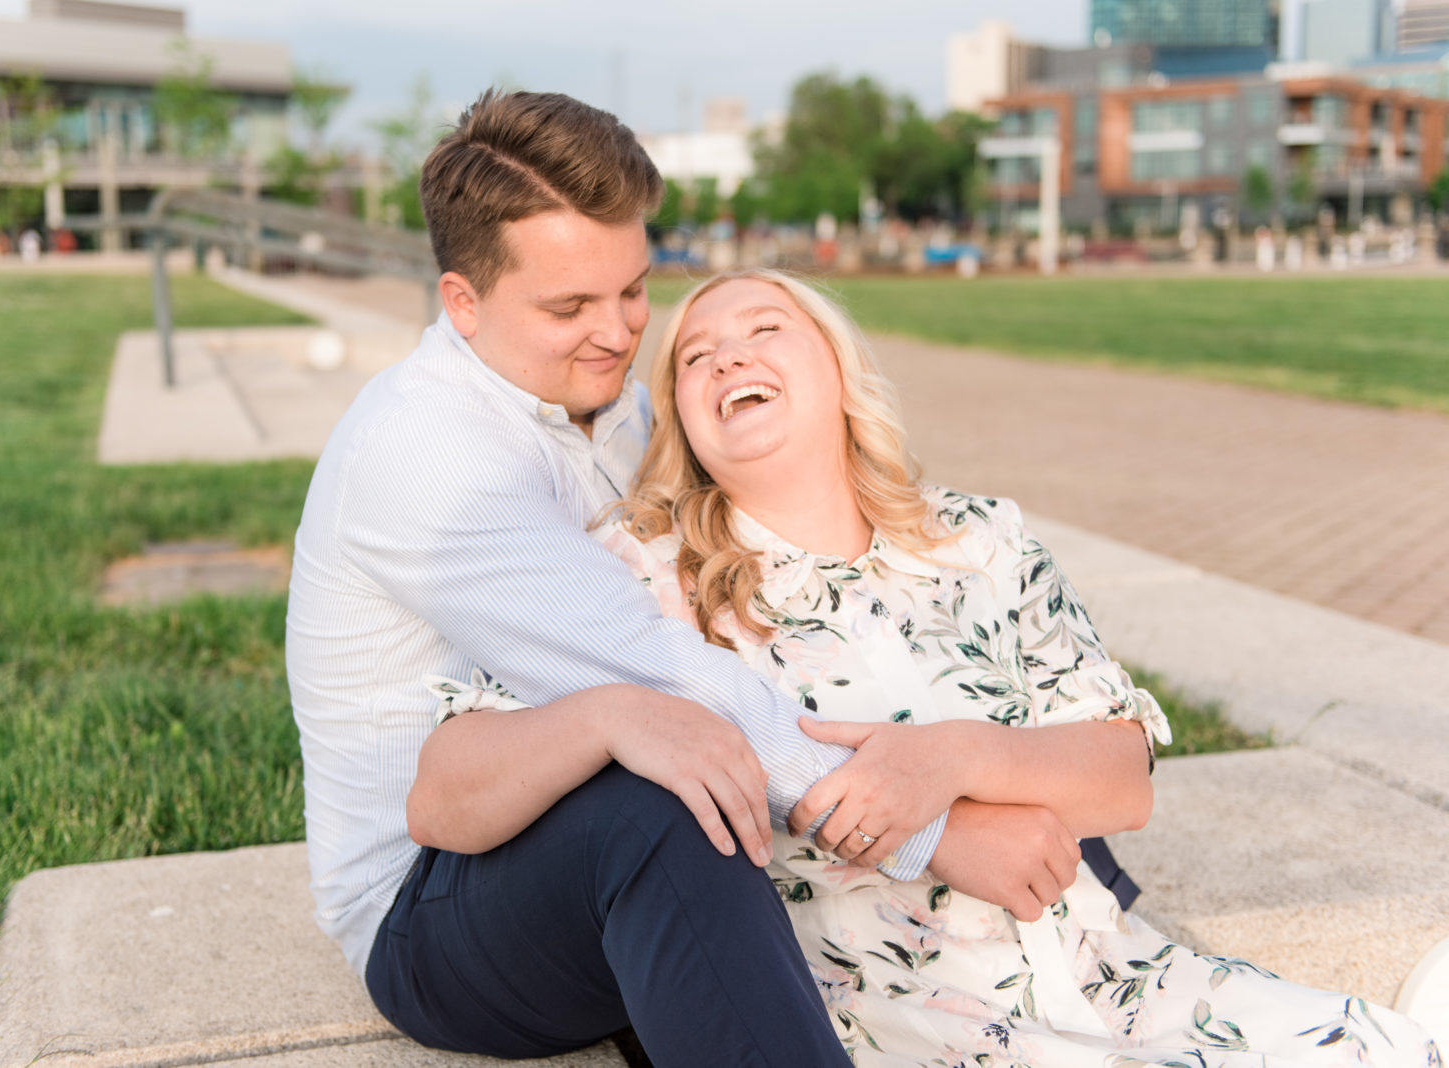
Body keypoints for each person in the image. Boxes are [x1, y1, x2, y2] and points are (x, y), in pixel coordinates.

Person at [434, 268, 1439, 1065]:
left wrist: (952, 759)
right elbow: (447, 787)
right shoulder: (646, 570)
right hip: (892, 1013)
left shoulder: (980, 539)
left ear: (837, 368)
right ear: (684, 423)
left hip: (1103, 969)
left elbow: (1121, 778)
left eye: (763, 330)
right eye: (693, 356)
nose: (724, 356)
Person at [288, 90, 1074, 1066]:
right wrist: (932, 831)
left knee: (899, 687)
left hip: (575, 796)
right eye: (569, 306)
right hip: (435, 904)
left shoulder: (603, 403)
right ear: (462, 302)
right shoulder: (428, 460)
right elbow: (657, 667)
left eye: (632, 288)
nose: (618, 333)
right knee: (669, 811)